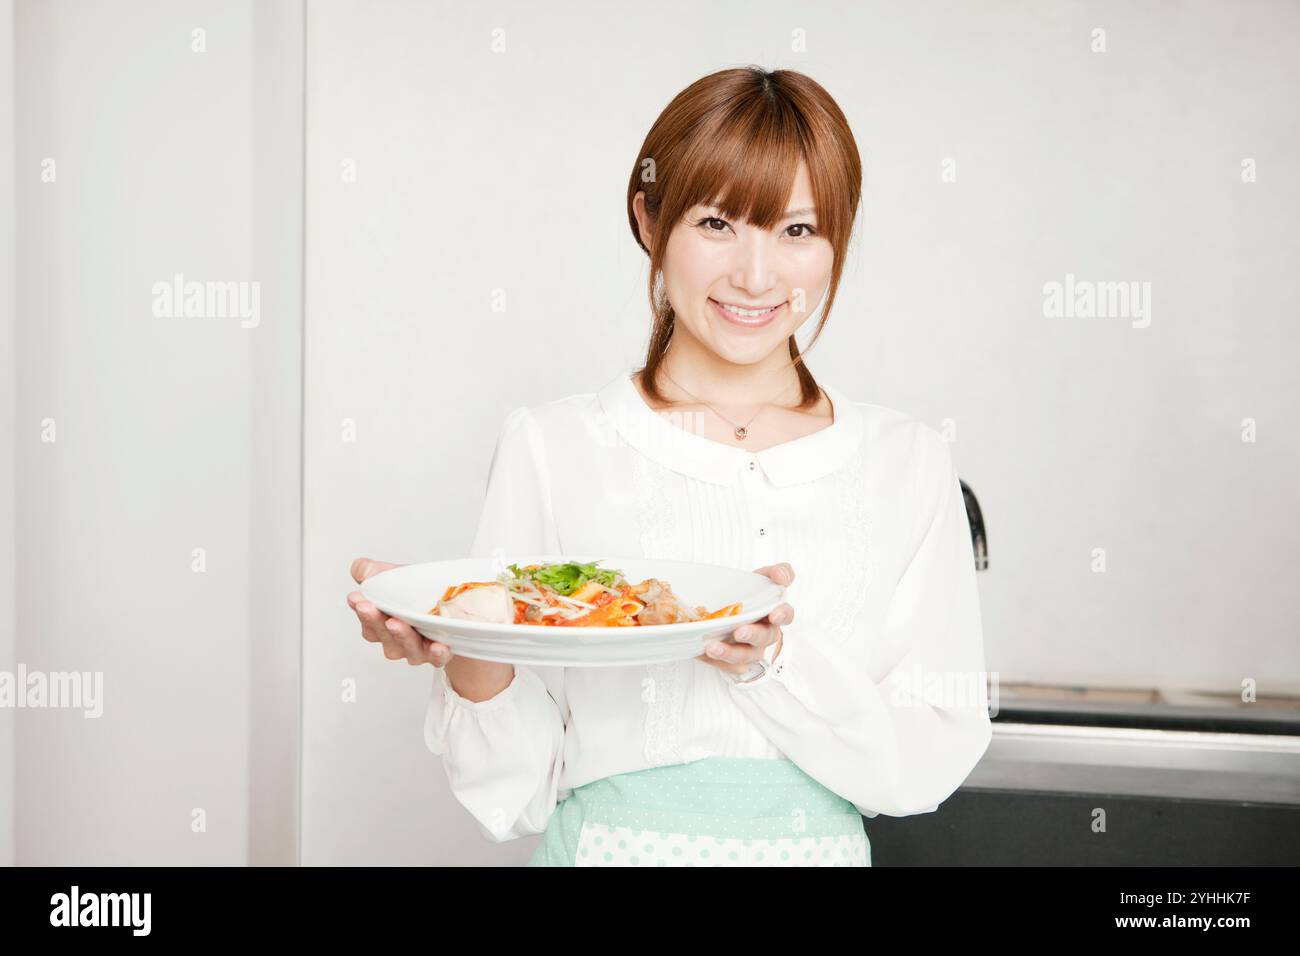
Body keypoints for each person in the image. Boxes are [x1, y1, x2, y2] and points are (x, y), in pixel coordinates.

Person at [347, 66, 992, 867]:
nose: (757, 277)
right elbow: (516, 792)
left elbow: (926, 758)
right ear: (649, 220)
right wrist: (466, 647)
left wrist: (773, 666)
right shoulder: (553, 445)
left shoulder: (907, 462)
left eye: (798, 231)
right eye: (717, 223)